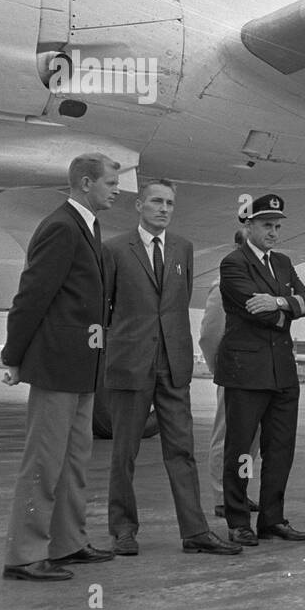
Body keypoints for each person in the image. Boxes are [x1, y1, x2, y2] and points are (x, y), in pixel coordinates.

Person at [1, 153, 120, 581]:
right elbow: (31, 296)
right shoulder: (60, 226)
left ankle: (68, 542)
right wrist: (13, 356)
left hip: (82, 367)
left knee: (73, 462)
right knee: (44, 463)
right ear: (85, 183)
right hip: (55, 366)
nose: (117, 188)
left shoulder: (89, 226)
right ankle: (24, 555)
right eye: (110, 182)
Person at [104, 179, 239, 556]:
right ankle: (123, 529)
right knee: (124, 452)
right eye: (156, 202)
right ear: (139, 206)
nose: (164, 209)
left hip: (173, 366)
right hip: (131, 365)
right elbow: (104, 309)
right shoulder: (114, 250)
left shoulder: (183, 248)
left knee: (182, 451)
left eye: (170, 203)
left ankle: (195, 531)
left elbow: (174, 306)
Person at [215, 194, 305, 546]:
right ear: (249, 226)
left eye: (277, 226)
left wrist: (278, 301)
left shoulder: (284, 263)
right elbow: (255, 310)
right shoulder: (233, 263)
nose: (273, 232)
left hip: (282, 372)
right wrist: (285, 309)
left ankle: (272, 519)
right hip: (246, 371)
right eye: (266, 225)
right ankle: (238, 520)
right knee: (242, 450)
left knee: (281, 449)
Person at [202, 229, 260, 518]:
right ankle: (221, 496)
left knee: (251, 439)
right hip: (233, 372)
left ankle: (241, 490)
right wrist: (219, 368)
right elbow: (210, 334)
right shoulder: (222, 284)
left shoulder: (263, 280)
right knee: (226, 436)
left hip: (258, 375)